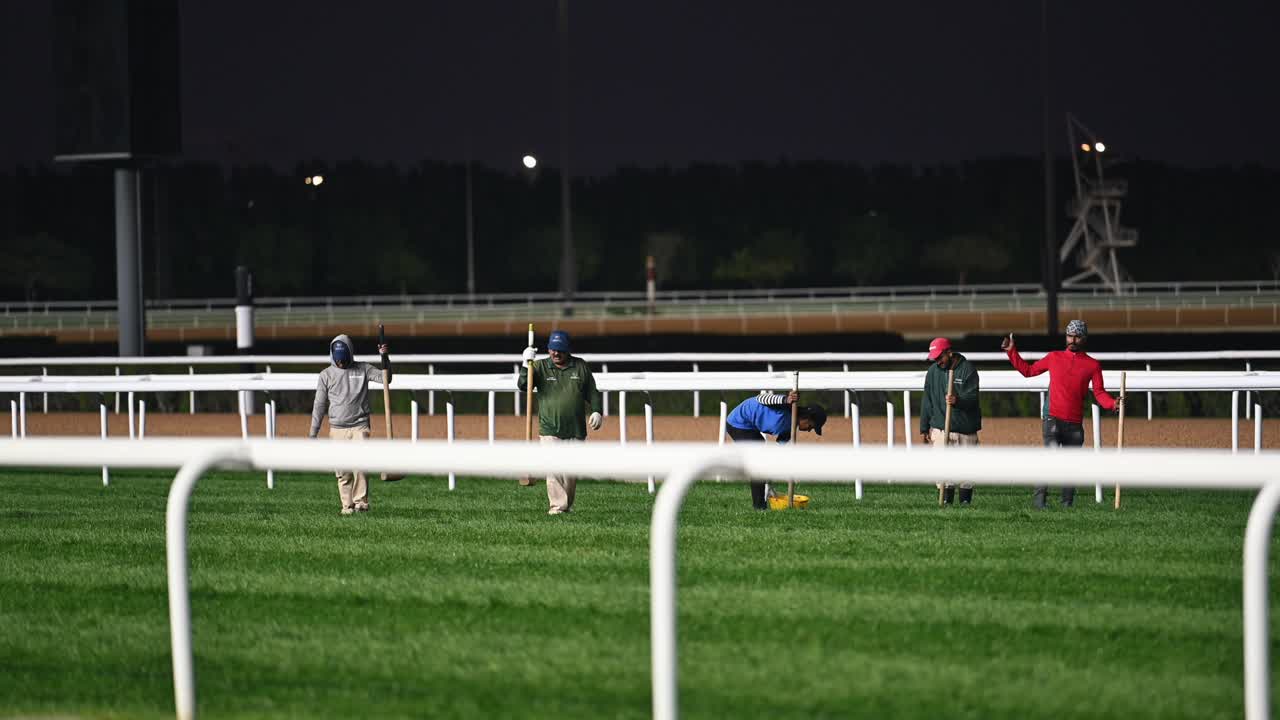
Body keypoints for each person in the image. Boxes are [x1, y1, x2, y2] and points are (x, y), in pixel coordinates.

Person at [1003, 319, 1122, 508]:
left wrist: (1112, 404)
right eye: (1070, 336)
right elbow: (1028, 371)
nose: (1072, 340)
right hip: (1052, 418)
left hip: (1074, 423)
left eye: (1077, 337)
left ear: (1084, 339)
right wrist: (1011, 351)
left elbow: (1099, 393)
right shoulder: (1054, 357)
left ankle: (1067, 505)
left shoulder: (1093, 365)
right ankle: (1039, 502)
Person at [518, 330, 603, 515]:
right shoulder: (539, 366)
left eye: (560, 350)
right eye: (552, 350)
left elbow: (593, 392)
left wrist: (597, 410)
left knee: (570, 473)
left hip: (575, 429)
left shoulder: (580, 366)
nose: (556, 353)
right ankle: (557, 506)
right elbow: (524, 385)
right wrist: (526, 364)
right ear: (548, 349)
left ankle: (566, 506)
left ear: (568, 350)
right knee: (553, 468)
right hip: (549, 428)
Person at [308, 333, 391, 515]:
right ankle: (347, 506)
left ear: (350, 355)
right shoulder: (325, 375)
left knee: (360, 464)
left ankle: (361, 503)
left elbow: (386, 379)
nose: (341, 364)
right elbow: (319, 405)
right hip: (337, 428)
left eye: (344, 361)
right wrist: (313, 433)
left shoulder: (363, 369)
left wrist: (385, 357)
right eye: (338, 361)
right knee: (342, 470)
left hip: (360, 425)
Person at [724, 390, 828, 510]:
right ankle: (759, 508)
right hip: (738, 422)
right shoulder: (786, 406)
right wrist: (785, 399)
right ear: (807, 417)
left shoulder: (790, 431)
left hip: (751, 428)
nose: (810, 430)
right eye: (811, 426)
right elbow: (761, 398)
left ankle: (765, 494)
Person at [919, 337, 981, 505]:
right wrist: (924, 427)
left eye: (940, 357)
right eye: (934, 358)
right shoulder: (932, 372)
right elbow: (927, 399)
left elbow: (973, 398)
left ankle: (965, 504)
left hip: (965, 430)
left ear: (950, 353)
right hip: (940, 429)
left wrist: (958, 401)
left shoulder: (968, 369)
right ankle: (946, 503)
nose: (937, 361)